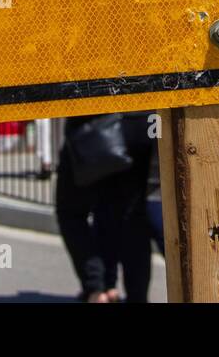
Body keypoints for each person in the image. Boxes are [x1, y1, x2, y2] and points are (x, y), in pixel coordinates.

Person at [54, 112, 155, 302]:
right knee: (128, 215)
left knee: (71, 212)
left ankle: (98, 289)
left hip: (94, 124)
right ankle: (130, 294)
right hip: (141, 121)